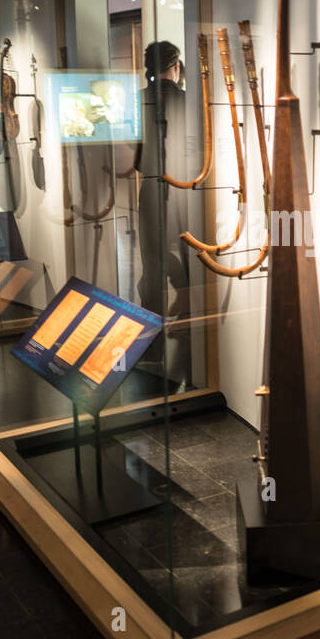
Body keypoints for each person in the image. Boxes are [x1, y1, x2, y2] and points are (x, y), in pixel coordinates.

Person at [135, 40, 193, 388]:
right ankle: (187, 312)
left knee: (152, 259)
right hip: (184, 187)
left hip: (152, 187)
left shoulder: (139, 99)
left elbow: (135, 152)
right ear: (175, 65)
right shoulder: (186, 100)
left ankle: (151, 340)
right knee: (187, 252)